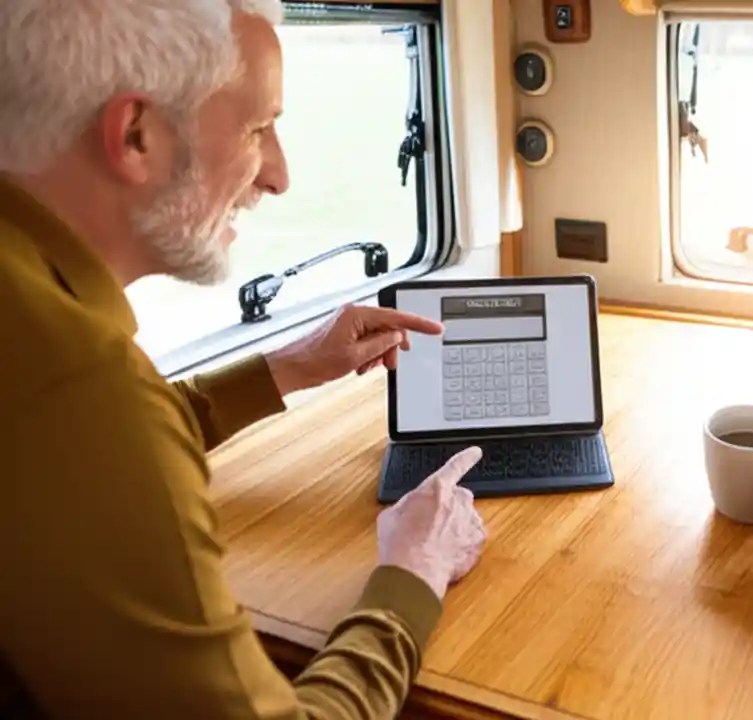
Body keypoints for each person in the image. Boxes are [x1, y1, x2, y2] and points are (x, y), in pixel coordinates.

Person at [0, 1, 485, 717]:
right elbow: (92, 423)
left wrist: (286, 366)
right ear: (135, 134)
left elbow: (72, 443)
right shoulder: (78, 387)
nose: (279, 176)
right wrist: (413, 573)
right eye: (259, 129)